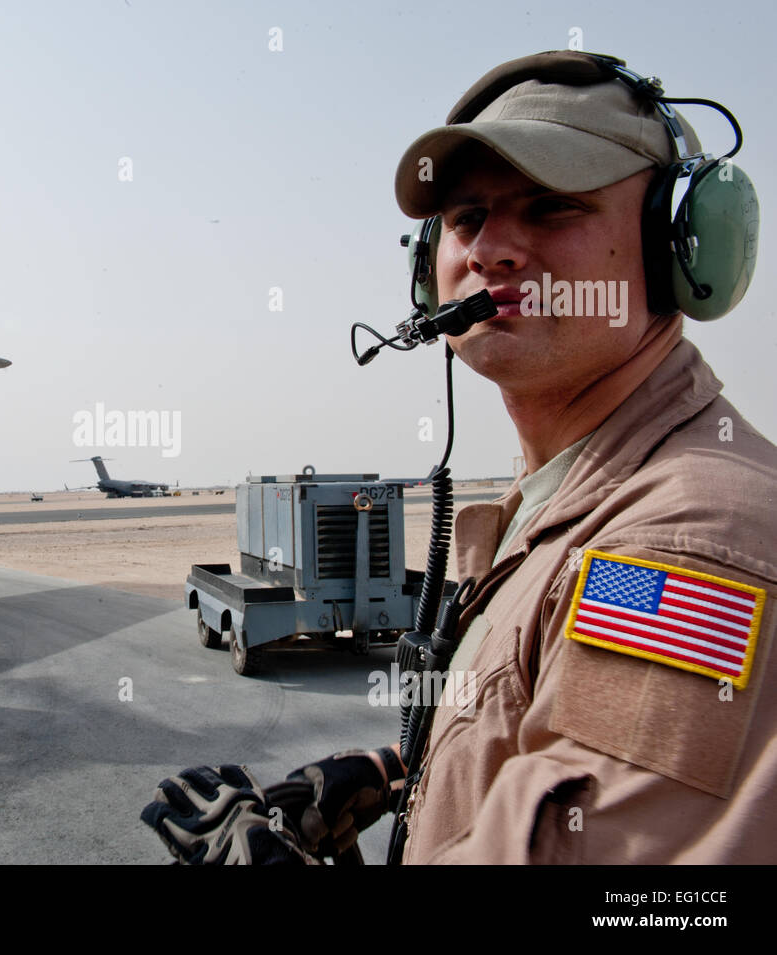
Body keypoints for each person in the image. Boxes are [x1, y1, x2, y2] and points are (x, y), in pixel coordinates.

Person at [142, 50, 776, 864]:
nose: (492, 249)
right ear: (425, 271)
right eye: (467, 217)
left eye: (552, 208)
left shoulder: (678, 548)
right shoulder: (561, 499)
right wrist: (409, 774)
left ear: (679, 245)